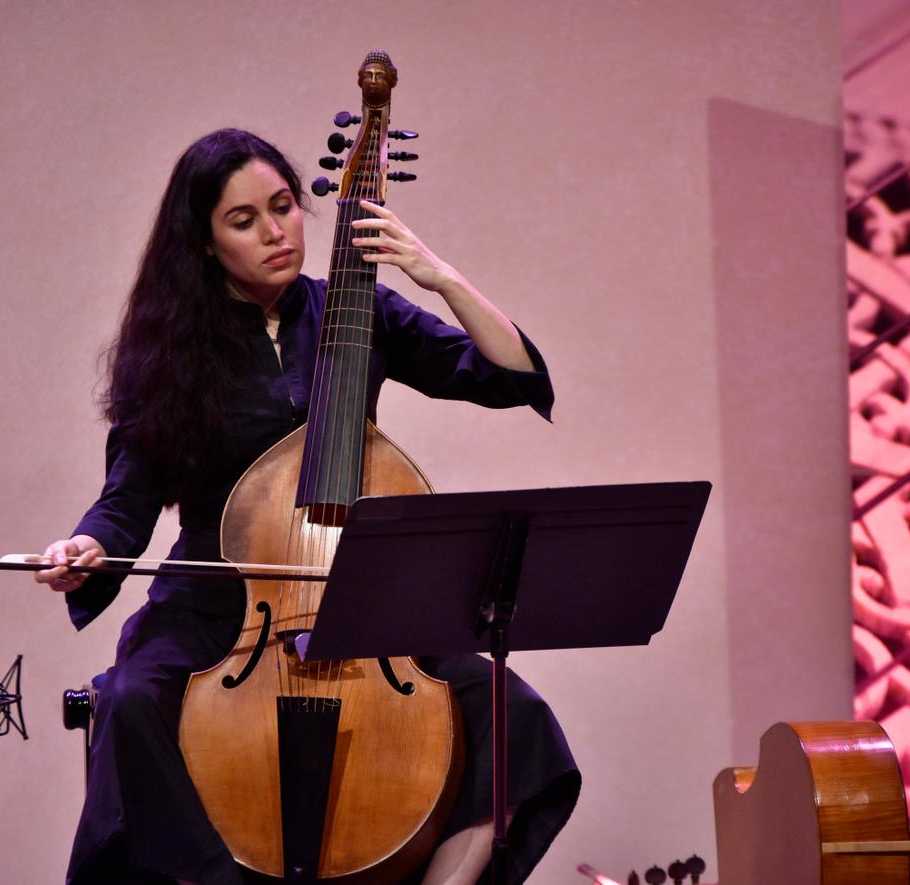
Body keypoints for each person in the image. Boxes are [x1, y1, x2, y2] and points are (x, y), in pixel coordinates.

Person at [35, 127, 579, 885]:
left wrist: (439, 276)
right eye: (244, 219)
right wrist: (83, 548)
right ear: (203, 242)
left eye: (283, 206)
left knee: (508, 713)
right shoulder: (170, 353)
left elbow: (510, 374)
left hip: (356, 605)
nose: (275, 232)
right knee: (129, 702)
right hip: (219, 604)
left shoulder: (355, 312)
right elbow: (124, 504)